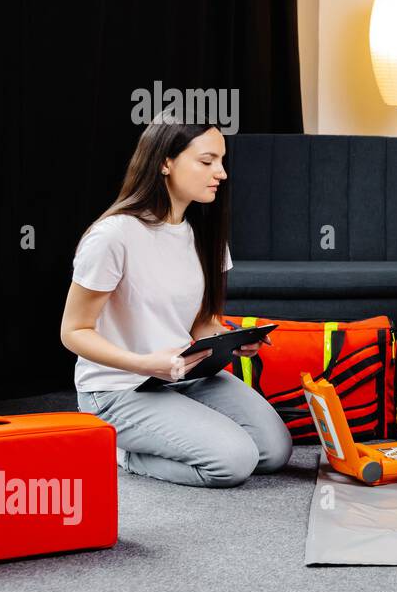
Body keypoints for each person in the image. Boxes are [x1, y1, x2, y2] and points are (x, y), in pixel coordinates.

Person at [62, 113, 292, 488]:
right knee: (234, 462)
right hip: (119, 388)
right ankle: (124, 453)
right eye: (207, 161)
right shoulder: (113, 236)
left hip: (183, 376)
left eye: (222, 161)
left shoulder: (203, 234)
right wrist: (144, 363)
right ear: (166, 162)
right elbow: (74, 331)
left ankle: (173, 429)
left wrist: (233, 338)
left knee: (273, 452)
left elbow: (202, 324)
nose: (221, 173)